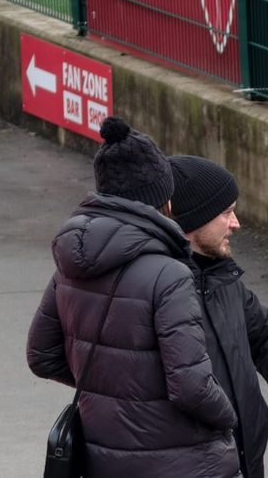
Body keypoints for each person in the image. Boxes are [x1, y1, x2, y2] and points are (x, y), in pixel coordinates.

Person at [27, 117, 239, 478]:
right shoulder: (169, 274)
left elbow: (42, 355)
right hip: (183, 462)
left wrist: (109, 389)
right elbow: (191, 386)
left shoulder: (69, 264)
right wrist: (229, 416)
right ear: (164, 200)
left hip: (103, 458)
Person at [168, 155, 268, 478]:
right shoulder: (158, 290)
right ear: (192, 221)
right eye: (225, 213)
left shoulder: (222, 279)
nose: (235, 223)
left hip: (241, 460)